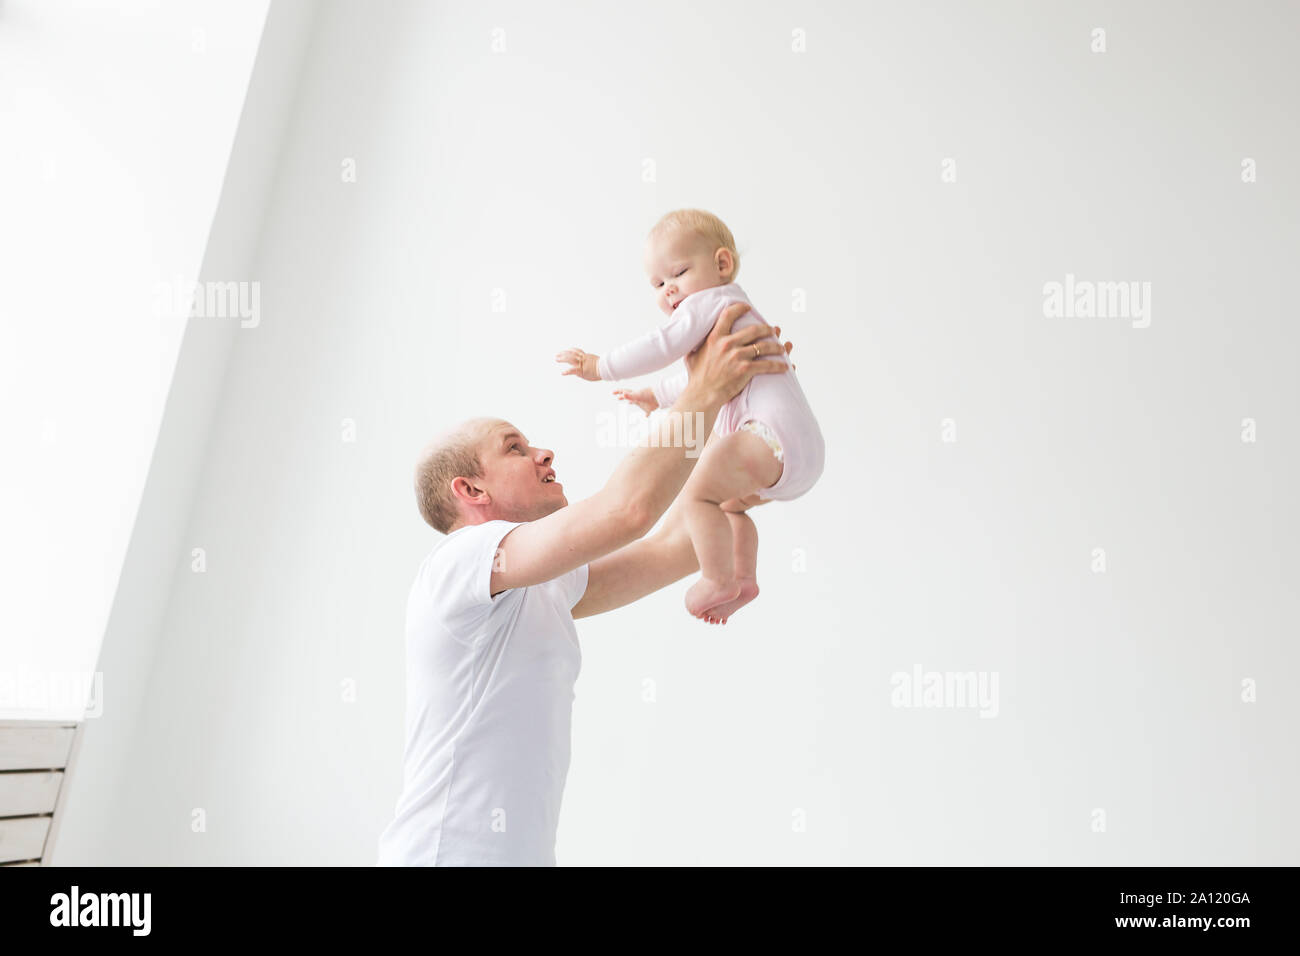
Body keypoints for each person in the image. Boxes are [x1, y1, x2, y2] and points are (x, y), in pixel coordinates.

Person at [377, 303, 793, 866]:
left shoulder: (539, 586)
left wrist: (741, 451)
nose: (543, 452)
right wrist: (707, 388)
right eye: (515, 448)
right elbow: (628, 511)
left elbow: (671, 549)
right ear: (470, 491)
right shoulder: (459, 561)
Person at [557, 209, 824, 623]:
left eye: (678, 272)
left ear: (721, 264)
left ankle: (717, 579)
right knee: (727, 506)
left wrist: (600, 366)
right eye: (658, 284)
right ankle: (742, 576)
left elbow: (661, 344)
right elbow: (696, 380)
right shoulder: (732, 315)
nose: (668, 290)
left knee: (697, 492)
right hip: (796, 452)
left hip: (768, 436)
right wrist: (655, 396)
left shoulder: (711, 301)